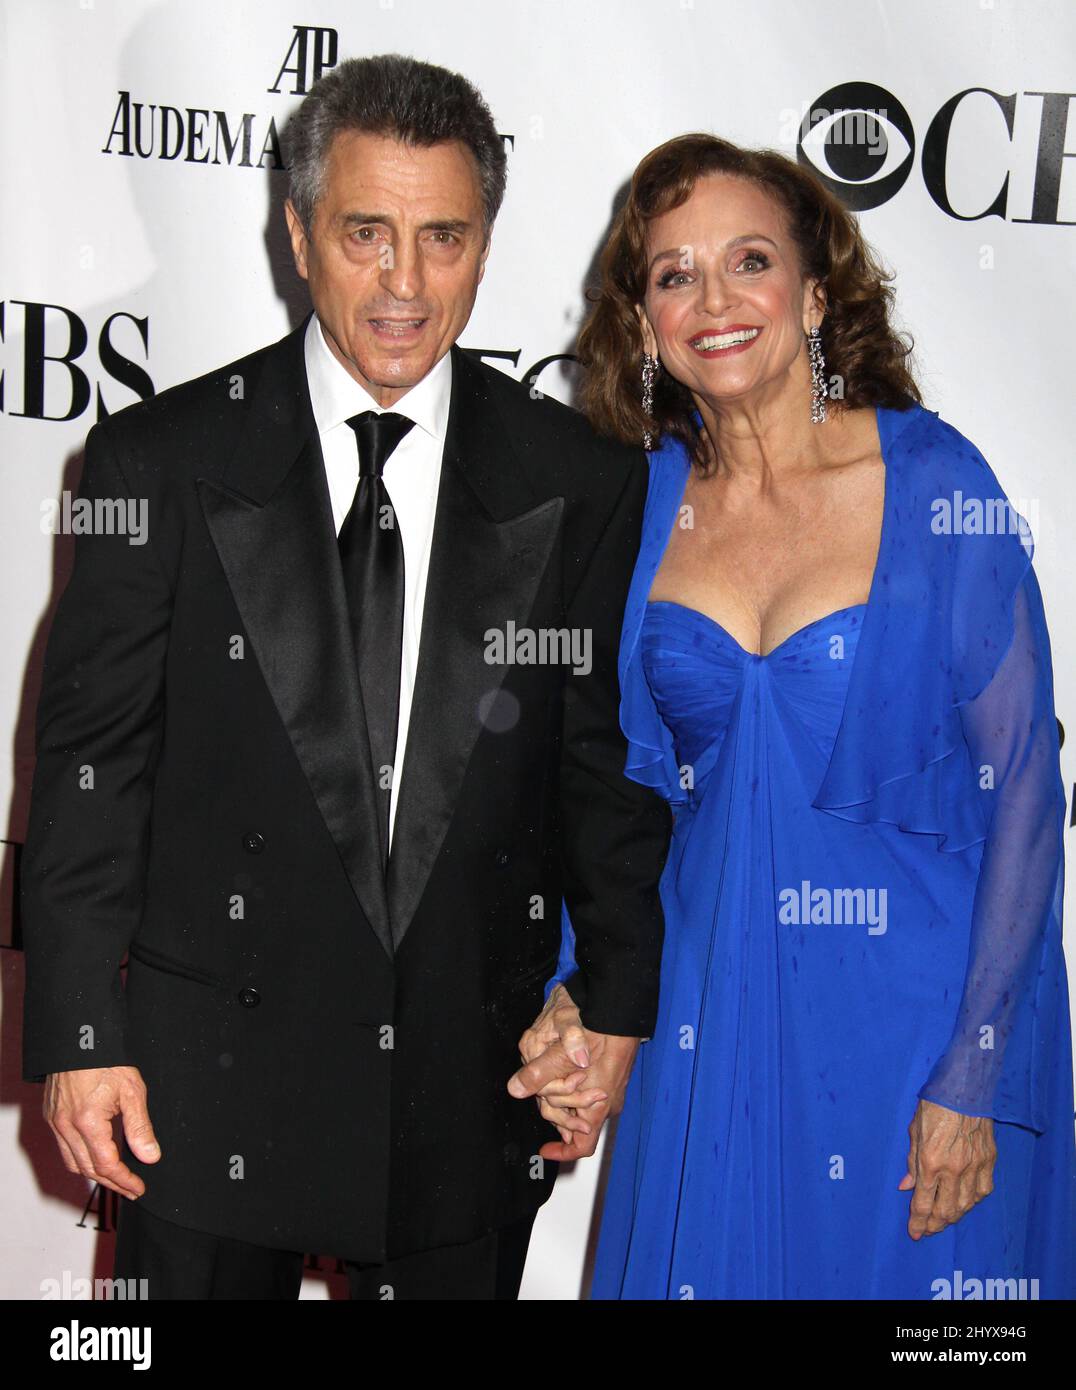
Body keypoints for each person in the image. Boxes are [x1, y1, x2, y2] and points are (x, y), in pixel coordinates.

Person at [19, 53, 670, 1301]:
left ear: (485, 244)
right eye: (367, 233)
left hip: (462, 1078)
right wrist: (82, 1038)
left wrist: (612, 997)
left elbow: (599, 765)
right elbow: (92, 773)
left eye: (443, 237)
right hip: (200, 1087)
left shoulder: (577, 474)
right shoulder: (158, 460)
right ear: (299, 230)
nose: (404, 284)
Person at [545, 132, 1074, 1299]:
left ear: (817, 292)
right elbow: (609, 794)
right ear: (640, 321)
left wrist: (973, 1071)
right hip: (708, 1009)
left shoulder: (934, 481)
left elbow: (1027, 797)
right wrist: (575, 985)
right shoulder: (631, 508)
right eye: (672, 274)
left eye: (748, 261)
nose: (713, 300)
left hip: (909, 1030)